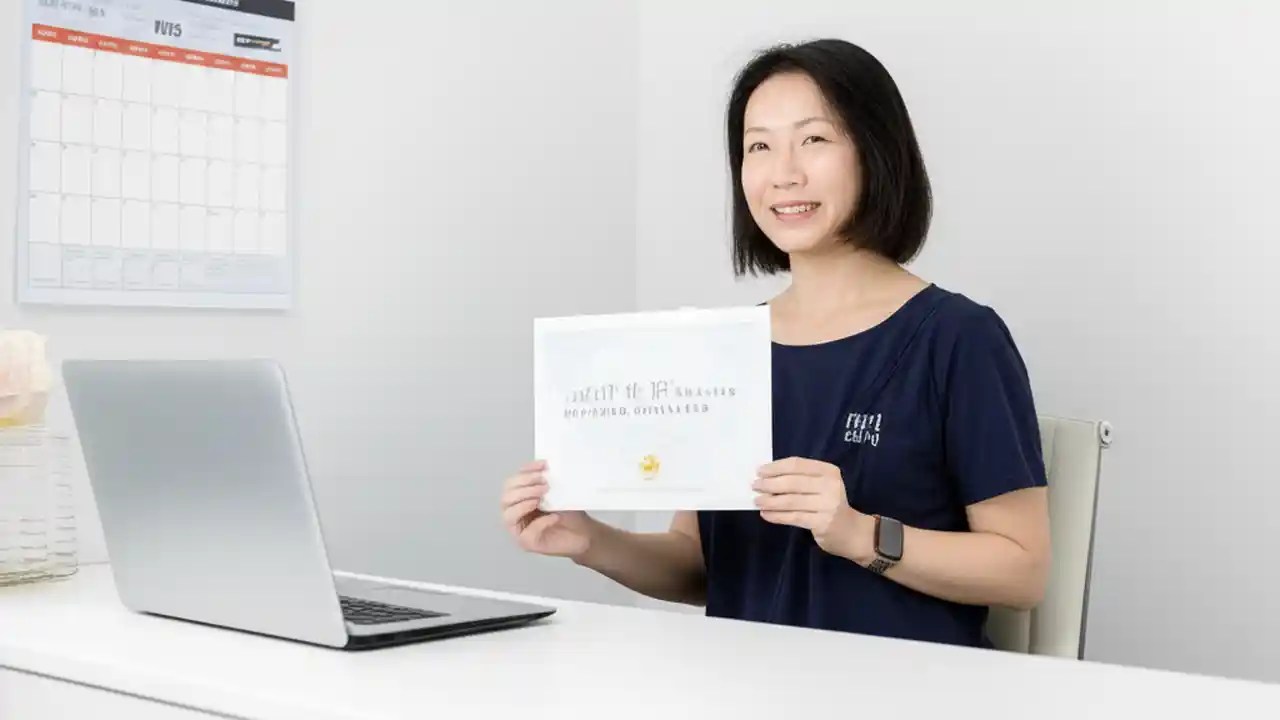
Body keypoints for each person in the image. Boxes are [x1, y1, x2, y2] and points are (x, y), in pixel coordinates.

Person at [500, 38, 1050, 648]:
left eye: (813, 139)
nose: (784, 173)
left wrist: (860, 534)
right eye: (759, 145)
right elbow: (697, 565)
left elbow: (1023, 570)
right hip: (747, 689)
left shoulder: (958, 338)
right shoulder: (723, 349)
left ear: (876, 152)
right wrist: (589, 541)